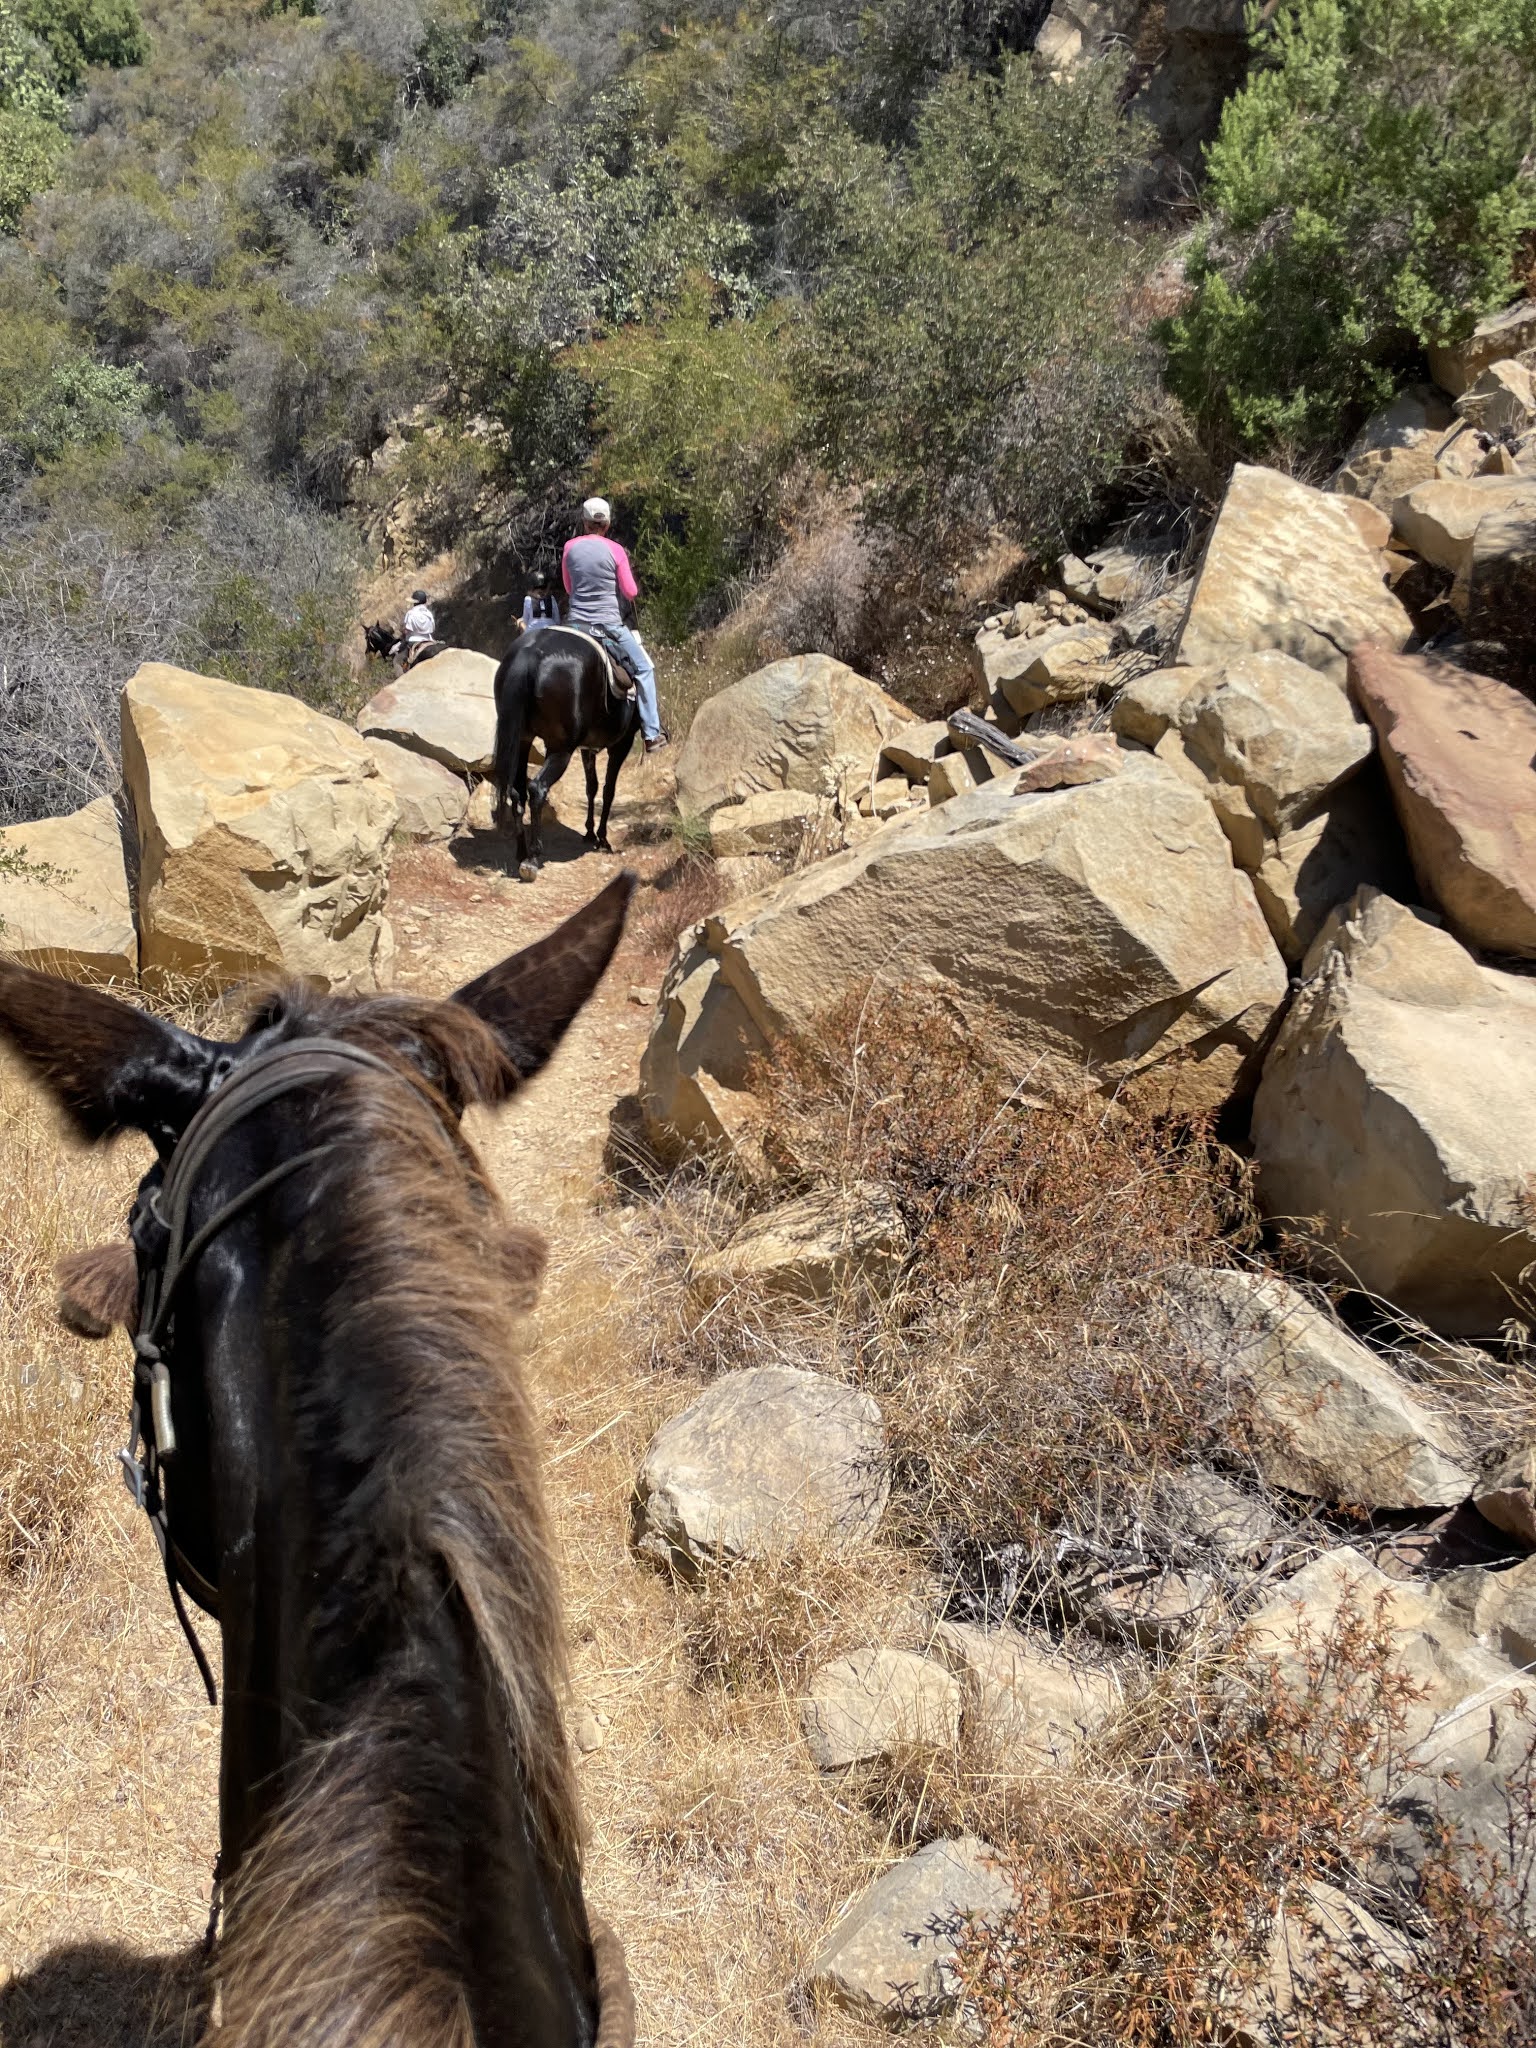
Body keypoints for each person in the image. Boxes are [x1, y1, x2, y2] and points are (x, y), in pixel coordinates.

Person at [560, 497, 667, 750]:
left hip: (575, 624)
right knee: (644, 670)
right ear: (606, 524)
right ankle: (651, 734)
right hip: (609, 625)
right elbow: (630, 592)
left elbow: (567, 587)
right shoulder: (616, 550)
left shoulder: (569, 547)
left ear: (584, 523)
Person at [521, 570, 561, 635]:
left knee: (521, 625)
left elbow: (525, 621)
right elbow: (557, 620)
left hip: (532, 631)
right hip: (551, 630)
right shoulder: (552, 599)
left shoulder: (527, 599)